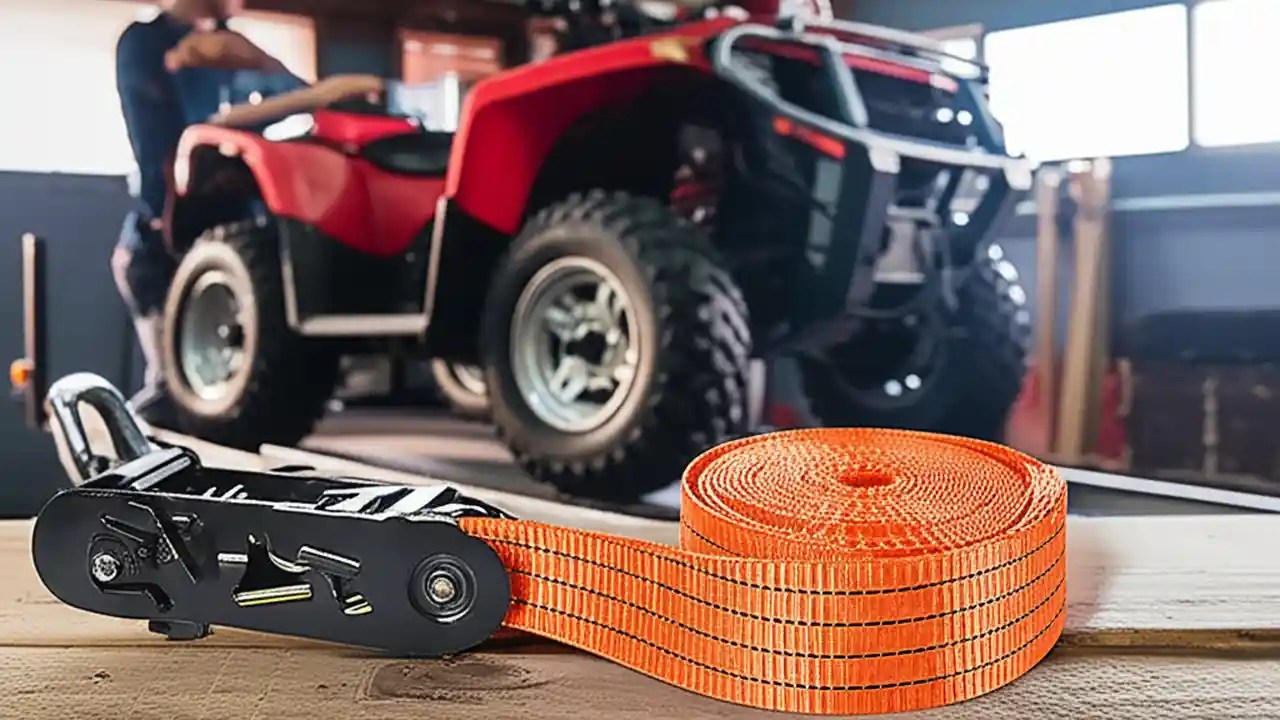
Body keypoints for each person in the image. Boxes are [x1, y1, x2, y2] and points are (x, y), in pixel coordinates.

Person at [111, 0, 305, 426]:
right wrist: (163, 204)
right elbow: (153, 134)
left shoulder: (233, 49)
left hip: (234, 216)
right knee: (140, 271)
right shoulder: (148, 44)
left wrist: (259, 62)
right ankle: (165, 400)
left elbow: (297, 97)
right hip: (175, 215)